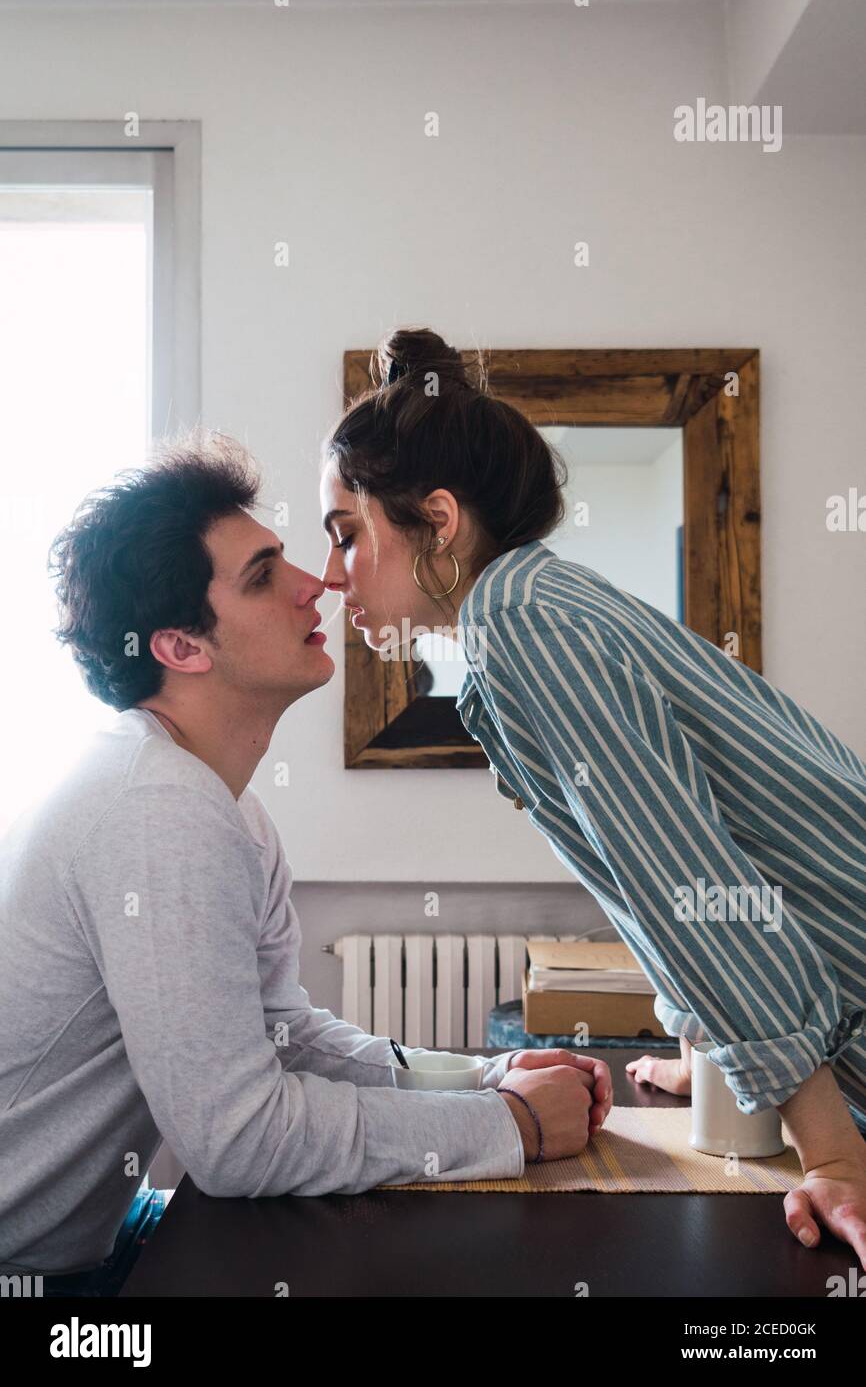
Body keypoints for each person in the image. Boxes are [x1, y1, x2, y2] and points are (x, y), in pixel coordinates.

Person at [0, 429, 610, 1295]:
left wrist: (482, 1075)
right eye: (262, 575)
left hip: (88, 1243)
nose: (315, 581)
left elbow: (284, 1040)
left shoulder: (219, 805)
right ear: (180, 646)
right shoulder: (155, 809)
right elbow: (240, 1139)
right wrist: (509, 1126)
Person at [319, 327, 866, 1269]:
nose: (333, 577)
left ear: (438, 521)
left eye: (347, 535)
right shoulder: (542, 601)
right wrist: (698, 1050)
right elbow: (667, 844)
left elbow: (689, 879)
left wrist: (837, 1158)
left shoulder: (524, 626)